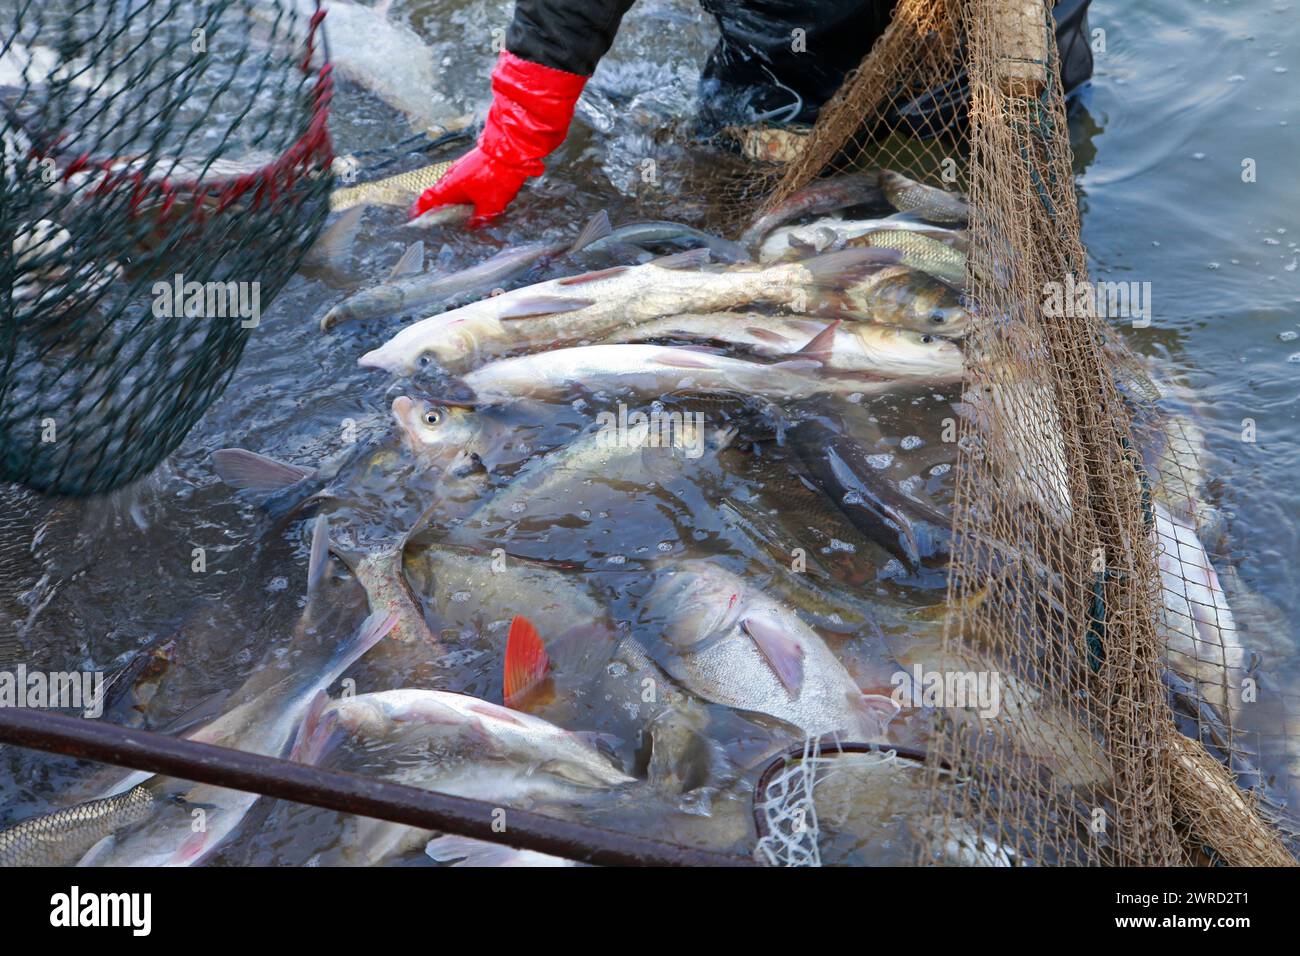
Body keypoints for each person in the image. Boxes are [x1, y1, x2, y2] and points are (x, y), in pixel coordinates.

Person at [410, 0, 1095, 224]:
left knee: (986, 225)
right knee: (734, 220)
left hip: (990, 62)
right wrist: (511, 142)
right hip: (782, 64)